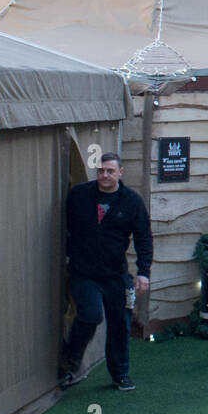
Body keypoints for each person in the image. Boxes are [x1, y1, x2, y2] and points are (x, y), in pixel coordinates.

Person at [59, 152, 153, 392]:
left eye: (110, 171)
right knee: (90, 316)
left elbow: (143, 237)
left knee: (120, 324)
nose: (105, 175)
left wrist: (143, 272)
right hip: (84, 272)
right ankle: (69, 361)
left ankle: (120, 374)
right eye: (101, 171)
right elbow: (63, 228)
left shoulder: (131, 202)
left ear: (120, 173)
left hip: (115, 275)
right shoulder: (79, 196)